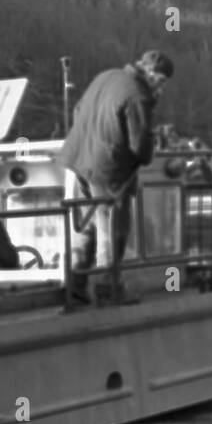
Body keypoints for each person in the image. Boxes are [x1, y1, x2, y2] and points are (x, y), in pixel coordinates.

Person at [57, 49, 173, 302]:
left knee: (84, 225)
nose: (161, 87)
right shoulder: (138, 96)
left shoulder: (106, 76)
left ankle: (76, 285)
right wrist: (152, 135)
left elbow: (78, 111)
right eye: (162, 82)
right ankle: (107, 290)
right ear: (152, 75)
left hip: (77, 160)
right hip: (108, 171)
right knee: (112, 230)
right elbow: (140, 148)